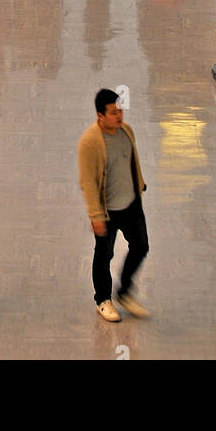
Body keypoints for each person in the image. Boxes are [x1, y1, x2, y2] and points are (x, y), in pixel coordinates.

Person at [78, 89, 149, 323]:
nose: (119, 116)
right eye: (113, 113)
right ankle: (102, 299)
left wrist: (139, 184)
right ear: (100, 115)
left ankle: (125, 291)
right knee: (104, 255)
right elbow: (88, 182)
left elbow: (131, 161)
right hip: (107, 212)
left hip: (131, 204)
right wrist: (96, 215)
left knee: (141, 246)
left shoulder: (126, 131)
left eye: (120, 111)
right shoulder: (90, 142)